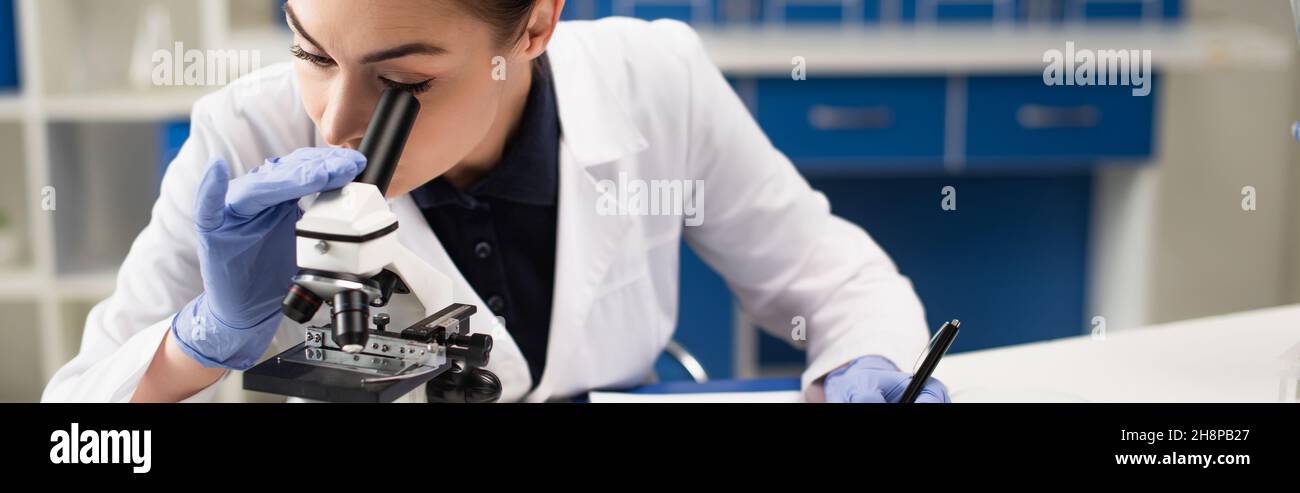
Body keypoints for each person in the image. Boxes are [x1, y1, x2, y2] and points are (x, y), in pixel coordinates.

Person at [41, 0, 948, 403]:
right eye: (311, 52)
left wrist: (866, 357)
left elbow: (829, 278)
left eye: (401, 79)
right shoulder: (241, 138)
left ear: (537, 26)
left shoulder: (654, 78)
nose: (335, 122)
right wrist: (196, 344)